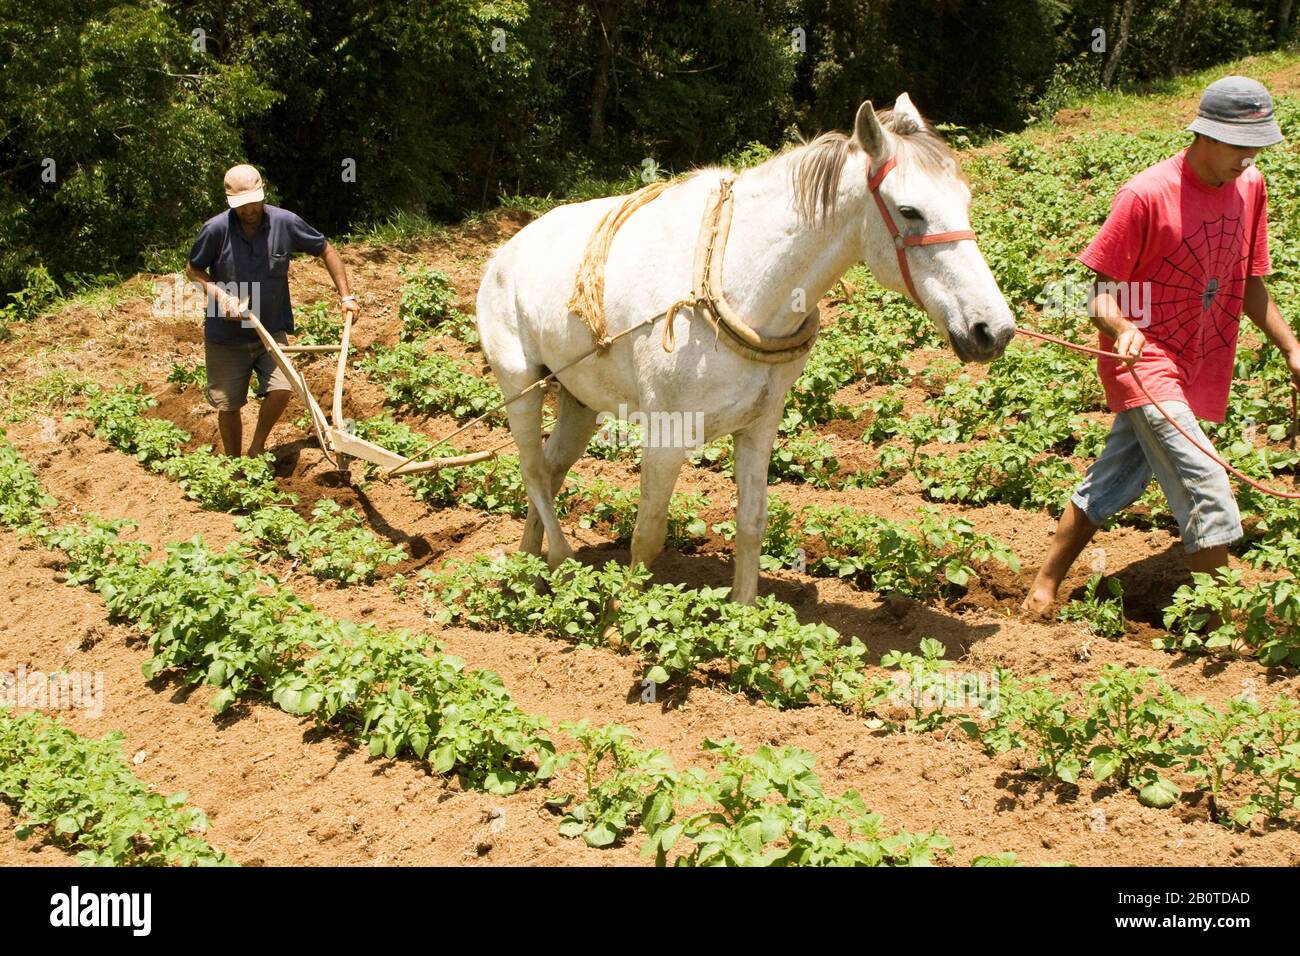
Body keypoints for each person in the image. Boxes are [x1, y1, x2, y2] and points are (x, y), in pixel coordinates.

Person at [1023, 76, 1300, 617]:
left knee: (1118, 475)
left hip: (1198, 358)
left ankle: (1043, 585)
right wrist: (1122, 327)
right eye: (1240, 146)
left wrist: (1292, 346)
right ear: (1205, 134)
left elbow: (1246, 281)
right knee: (1206, 478)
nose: (1248, 158)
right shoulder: (1147, 194)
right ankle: (1227, 619)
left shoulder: (1252, 187)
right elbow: (1097, 295)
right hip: (1143, 361)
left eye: (1257, 147)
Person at [184, 164, 361, 458]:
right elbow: (194, 270)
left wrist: (346, 296)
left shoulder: (285, 222)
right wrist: (220, 297)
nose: (250, 210)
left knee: (282, 389)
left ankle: (256, 448)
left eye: (254, 202)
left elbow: (325, 250)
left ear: (263, 194)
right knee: (229, 405)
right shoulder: (216, 229)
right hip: (226, 335)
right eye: (242, 205)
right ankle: (233, 463)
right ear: (230, 202)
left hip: (271, 328)